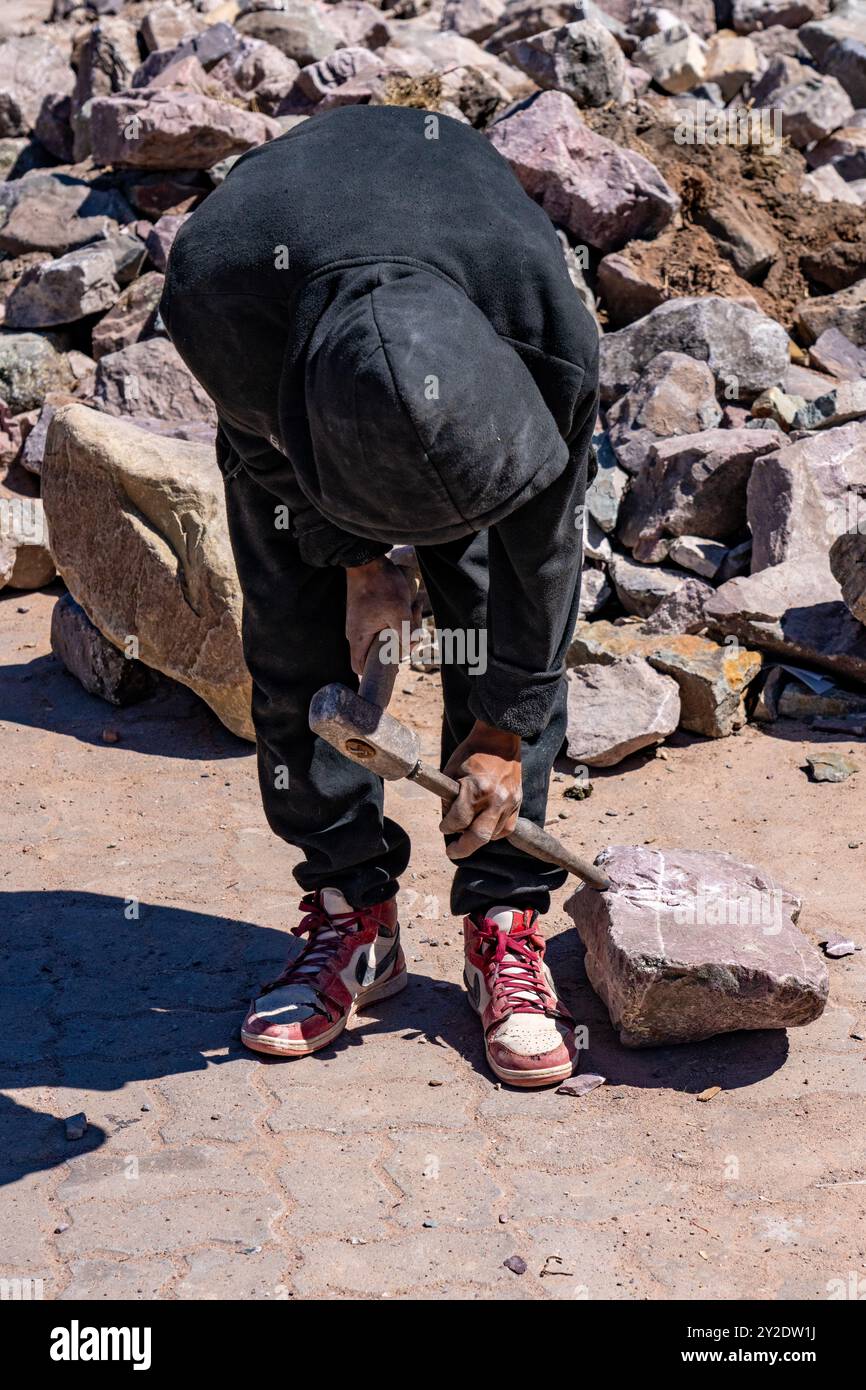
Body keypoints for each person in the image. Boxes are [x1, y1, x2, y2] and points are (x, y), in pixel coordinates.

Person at [161, 102, 599, 1089]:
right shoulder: (218, 286)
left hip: (463, 276)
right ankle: (350, 915)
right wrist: (359, 565)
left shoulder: (543, 329)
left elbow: (544, 552)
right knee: (294, 640)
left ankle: (503, 917)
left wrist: (502, 727)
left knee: (496, 616)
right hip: (282, 340)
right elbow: (263, 457)